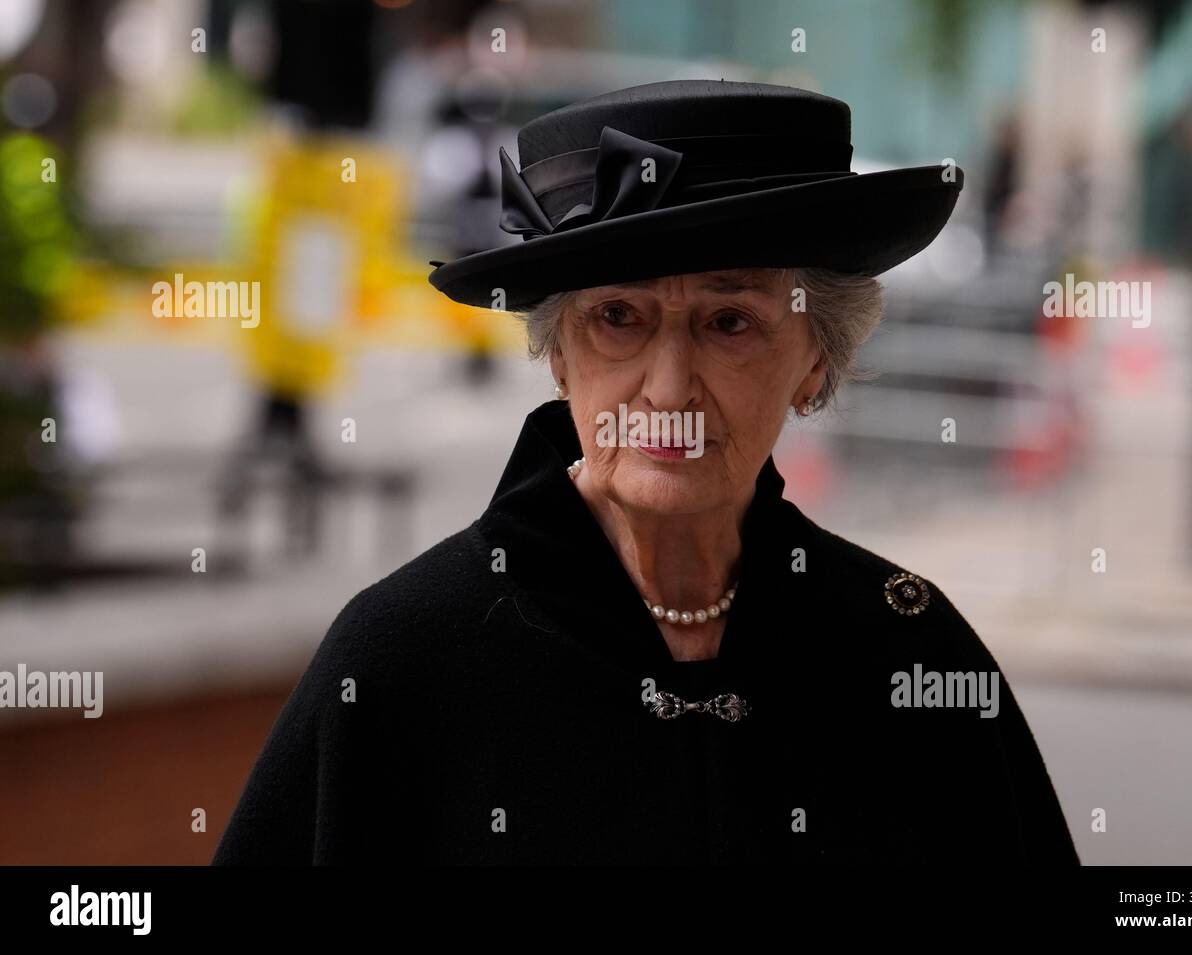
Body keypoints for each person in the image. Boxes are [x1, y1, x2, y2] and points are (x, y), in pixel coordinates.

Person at [212, 79, 1078, 865]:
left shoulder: (911, 652)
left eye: (729, 322)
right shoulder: (404, 658)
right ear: (559, 355)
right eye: (618, 317)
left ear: (816, 360)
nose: (667, 386)